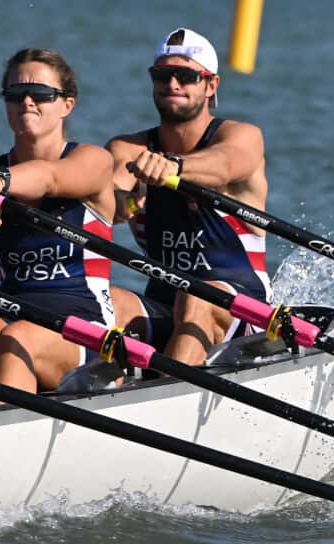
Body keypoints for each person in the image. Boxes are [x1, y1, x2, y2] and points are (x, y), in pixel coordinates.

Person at [0, 48, 129, 408]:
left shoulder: (94, 161)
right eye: (16, 94)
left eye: (41, 95)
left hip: (85, 329)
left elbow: (49, 178)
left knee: (18, 339)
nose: (27, 102)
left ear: (67, 104)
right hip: (9, 309)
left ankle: (1, 443)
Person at [108, 27, 271, 365]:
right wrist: (120, 203)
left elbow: (225, 165)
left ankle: (164, 395)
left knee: (196, 297)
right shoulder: (129, 148)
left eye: (186, 76)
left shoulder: (242, 137)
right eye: (163, 75)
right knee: (105, 303)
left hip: (242, 309)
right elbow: (112, 190)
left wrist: (172, 168)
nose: (173, 84)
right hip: (165, 303)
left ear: (211, 85)